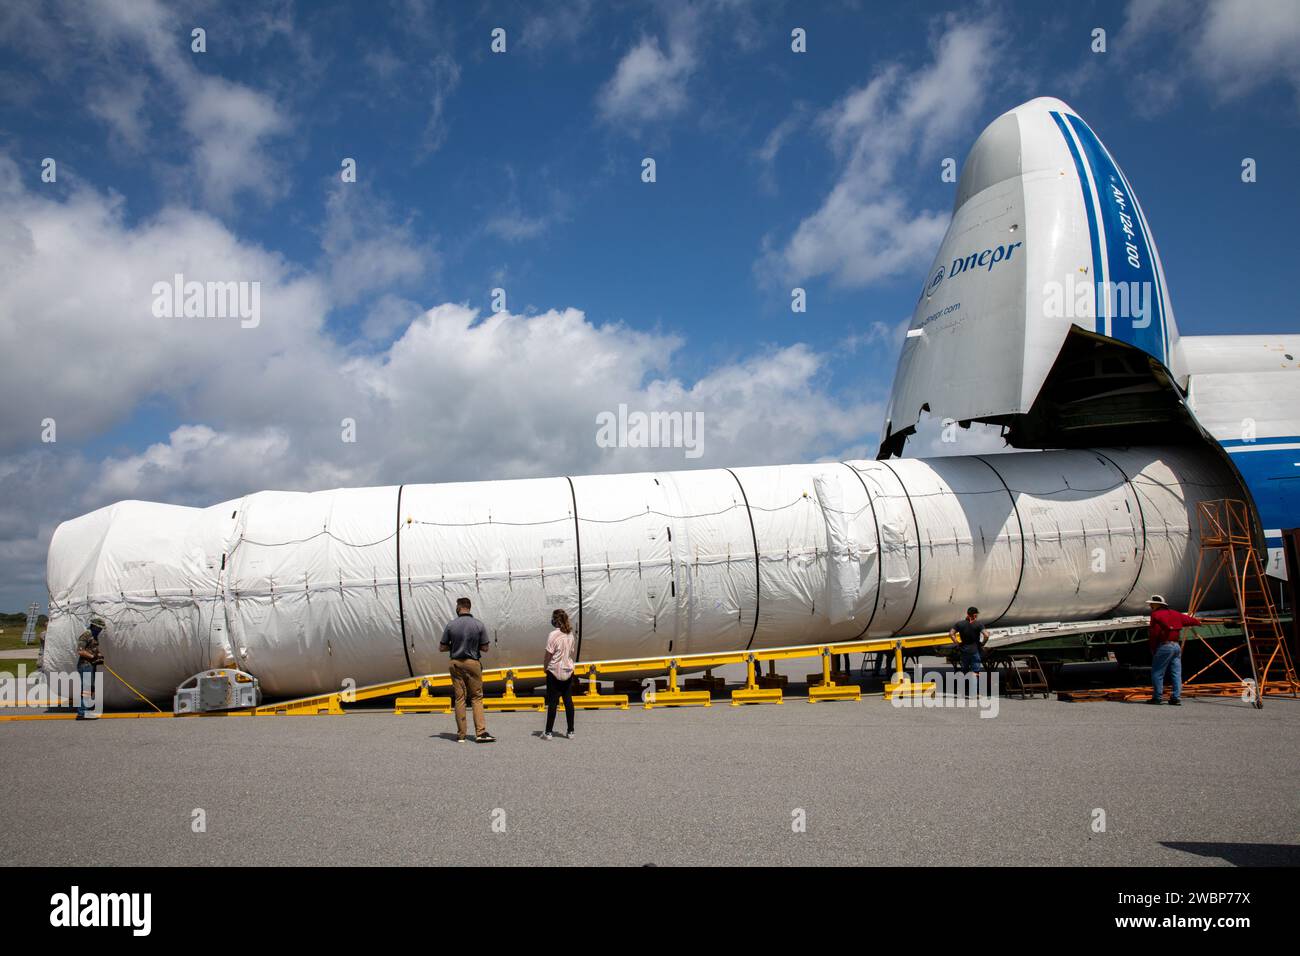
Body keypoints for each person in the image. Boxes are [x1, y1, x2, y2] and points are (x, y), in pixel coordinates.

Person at [439, 597, 495, 742]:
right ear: (469, 607)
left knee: (459, 698)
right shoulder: (478, 625)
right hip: (473, 663)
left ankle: (461, 735)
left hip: (456, 663)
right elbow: (486, 648)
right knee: (476, 697)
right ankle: (480, 733)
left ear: (459, 607)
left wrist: (455, 646)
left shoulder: (451, 625)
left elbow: (442, 647)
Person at [1146, 594, 1200, 706]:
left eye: (1151, 603)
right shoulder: (1175, 613)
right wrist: (1198, 622)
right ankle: (1176, 698)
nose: (1150, 605)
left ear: (1157, 605)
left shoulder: (1155, 615)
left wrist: (1153, 648)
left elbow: (1154, 633)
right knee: (1176, 673)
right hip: (1176, 646)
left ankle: (1157, 697)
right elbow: (1189, 620)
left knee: (1157, 672)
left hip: (1164, 646)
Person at [541, 609, 577, 740]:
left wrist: (545, 667)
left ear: (555, 621)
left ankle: (548, 732)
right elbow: (571, 652)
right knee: (568, 701)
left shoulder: (553, 635)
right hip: (568, 670)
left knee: (553, 702)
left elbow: (548, 655)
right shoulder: (570, 635)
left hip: (555, 671)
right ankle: (571, 731)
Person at [75, 615, 106, 720]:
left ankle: (87, 709)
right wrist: (93, 657)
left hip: (91, 665)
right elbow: (80, 650)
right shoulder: (86, 635)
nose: (100, 630)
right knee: (86, 689)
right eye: (99, 628)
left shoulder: (95, 636)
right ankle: (82, 713)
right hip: (85, 665)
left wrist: (99, 656)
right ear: (93, 626)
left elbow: (94, 649)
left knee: (91, 688)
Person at [950, 606, 986, 674]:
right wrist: (983, 643)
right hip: (975, 651)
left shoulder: (960, 624)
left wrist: (957, 643)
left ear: (967, 614)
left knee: (965, 671)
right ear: (975, 615)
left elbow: (951, 633)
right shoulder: (978, 624)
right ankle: (974, 684)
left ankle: (965, 683)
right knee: (976, 672)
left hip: (964, 651)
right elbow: (986, 635)